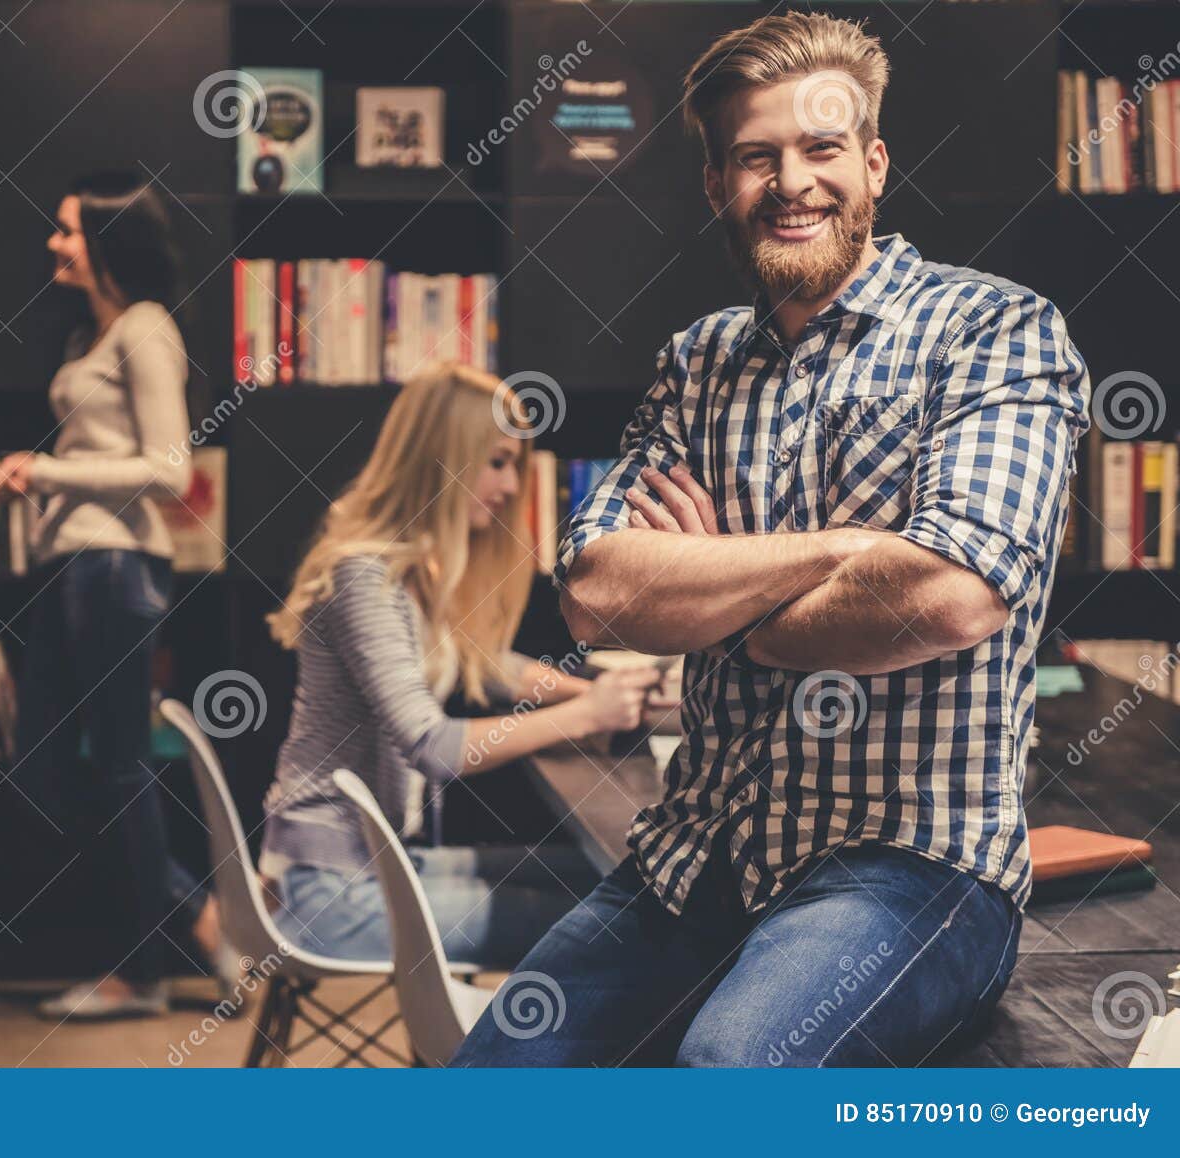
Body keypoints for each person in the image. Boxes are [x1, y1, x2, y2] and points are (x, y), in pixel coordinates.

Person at [453, 11, 1090, 1067]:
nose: (790, 182)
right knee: (488, 1081)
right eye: (756, 156)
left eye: (821, 148)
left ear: (873, 162)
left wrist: (722, 611)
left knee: (729, 1074)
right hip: (693, 854)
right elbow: (598, 593)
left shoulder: (994, 330)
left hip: (912, 867)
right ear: (717, 183)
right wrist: (850, 547)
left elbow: (950, 597)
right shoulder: (695, 361)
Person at [258, 363, 667, 968]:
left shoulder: (406, 570)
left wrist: (598, 686)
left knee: (615, 883)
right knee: (619, 922)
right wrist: (588, 712)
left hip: (375, 864)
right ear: (440, 457)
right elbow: (434, 745)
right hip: (328, 894)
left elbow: (481, 662)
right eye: (497, 462)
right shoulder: (365, 576)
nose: (509, 487)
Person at [0, 173, 230, 1019]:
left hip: (116, 567)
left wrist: (44, 469)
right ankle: (200, 919)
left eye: (69, 230)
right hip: (74, 568)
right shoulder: (98, 330)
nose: (54, 244)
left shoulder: (145, 329)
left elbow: (172, 470)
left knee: (121, 767)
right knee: (50, 768)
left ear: (108, 242)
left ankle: (147, 971)